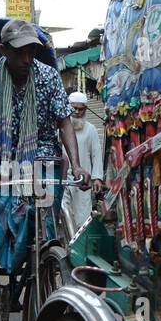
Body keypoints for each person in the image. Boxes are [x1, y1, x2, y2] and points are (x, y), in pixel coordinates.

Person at [0, 20, 85, 283]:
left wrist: (77, 165)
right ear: (4, 50)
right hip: (4, 154)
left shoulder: (48, 76)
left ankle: (47, 253)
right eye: (19, 52)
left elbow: (64, 123)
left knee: (45, 214)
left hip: (44, 155)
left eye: (32, 52)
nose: (27, 58)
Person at [64, 90, 102, 232]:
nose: (77, 112)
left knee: (82, 218)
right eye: (74, 108)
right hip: (63, 178)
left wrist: (97, 178)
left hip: (82, 181)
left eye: (81, 109)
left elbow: (96, 155)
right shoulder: (60, 129)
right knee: (62, 214)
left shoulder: (91, 129)